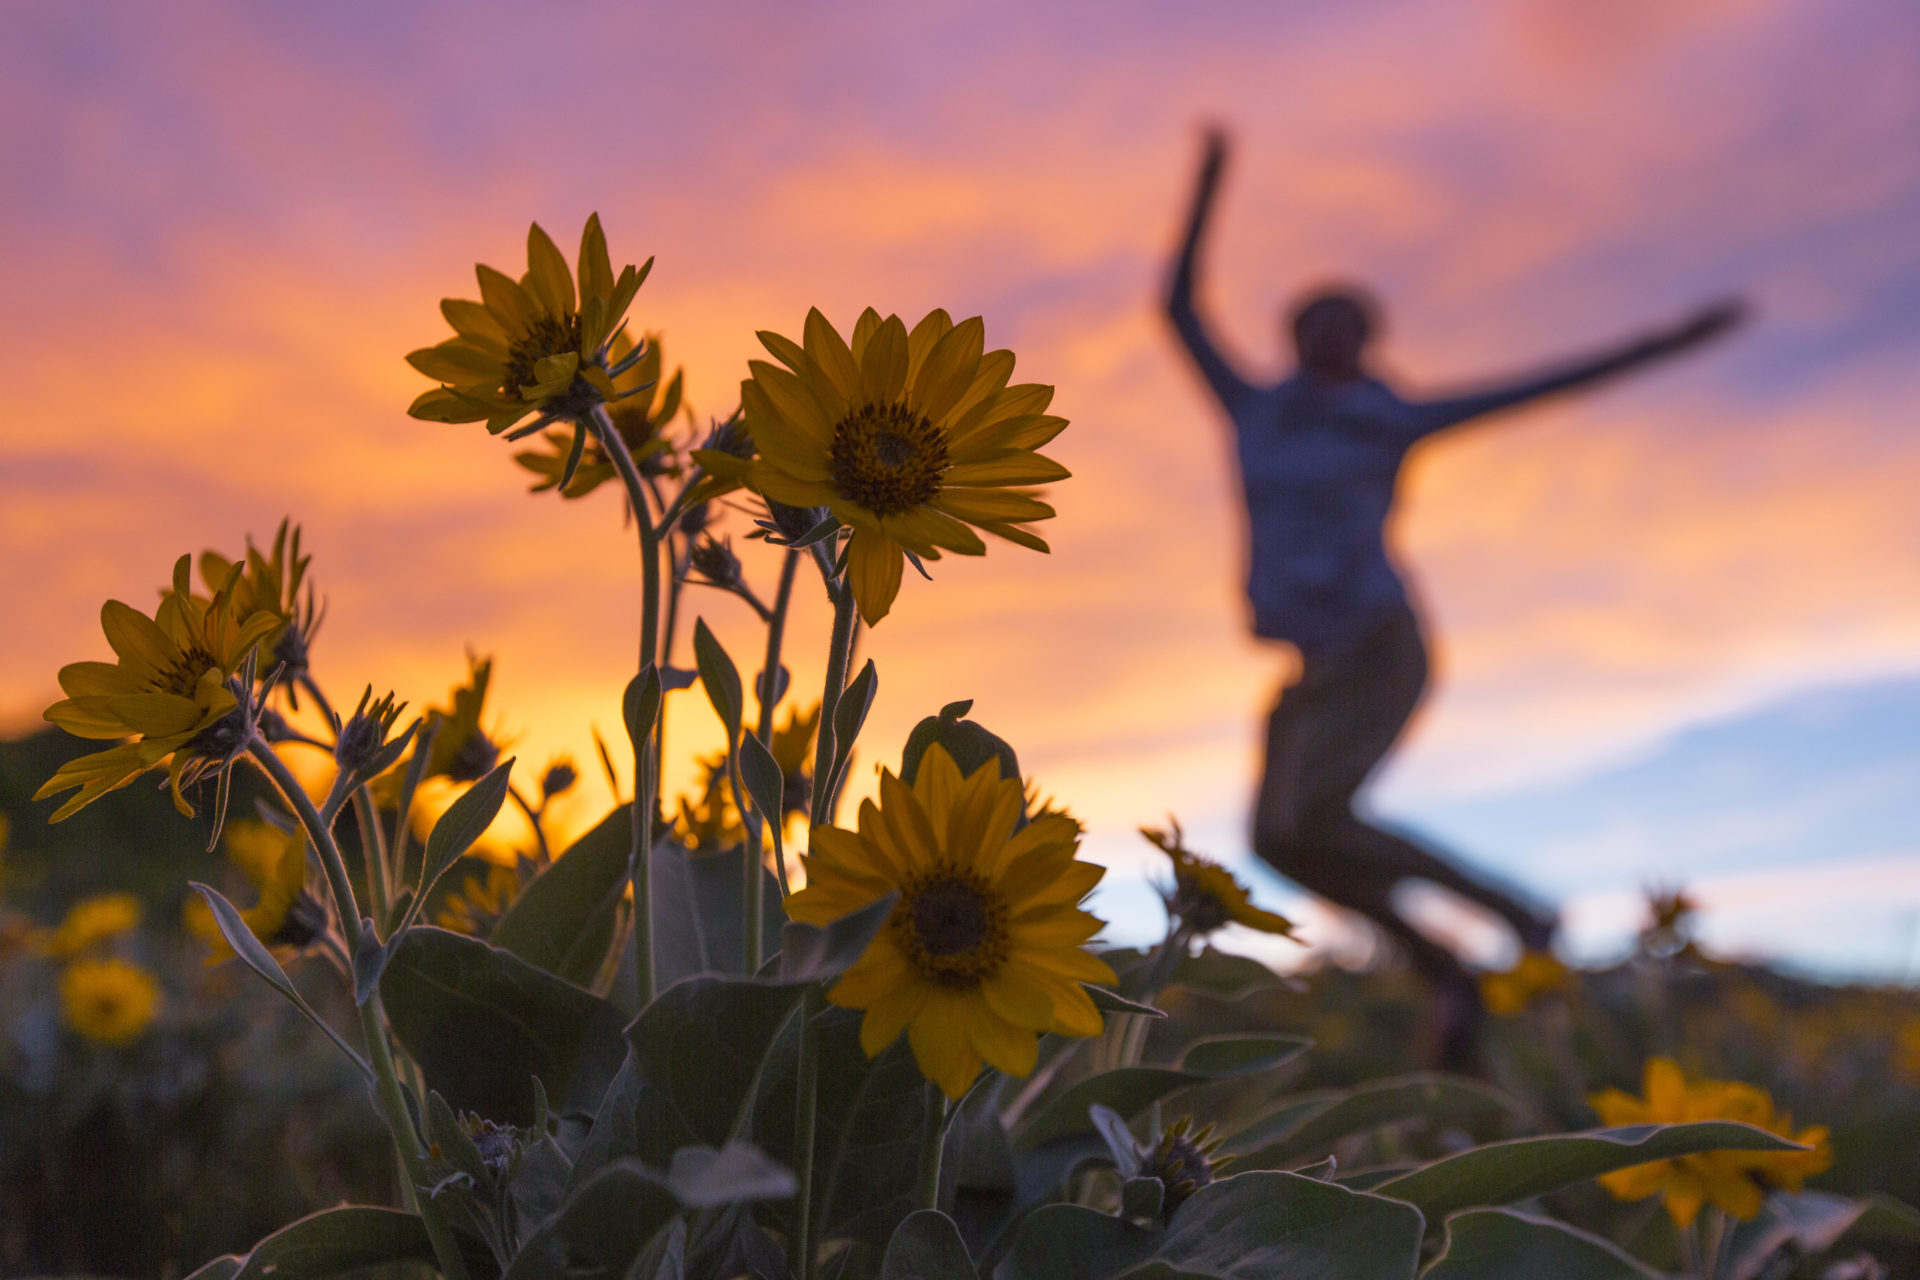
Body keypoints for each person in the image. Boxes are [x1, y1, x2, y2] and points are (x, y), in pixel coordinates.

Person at [1166, 127, 1745, 1064]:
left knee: (1312, 819)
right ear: (1293, 334)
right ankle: (1452, 960)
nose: (1330, 337)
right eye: (1316, 320)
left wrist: (1667, 342)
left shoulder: (1392, 419)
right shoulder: (1254, 410)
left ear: (1368, 345)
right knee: (1281, 839)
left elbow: (1541, 386)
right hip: (1312, 659)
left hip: (1382, 643)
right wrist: (1207, 187)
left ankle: (1506, 923)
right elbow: (1179, 310)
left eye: (1350, 326)